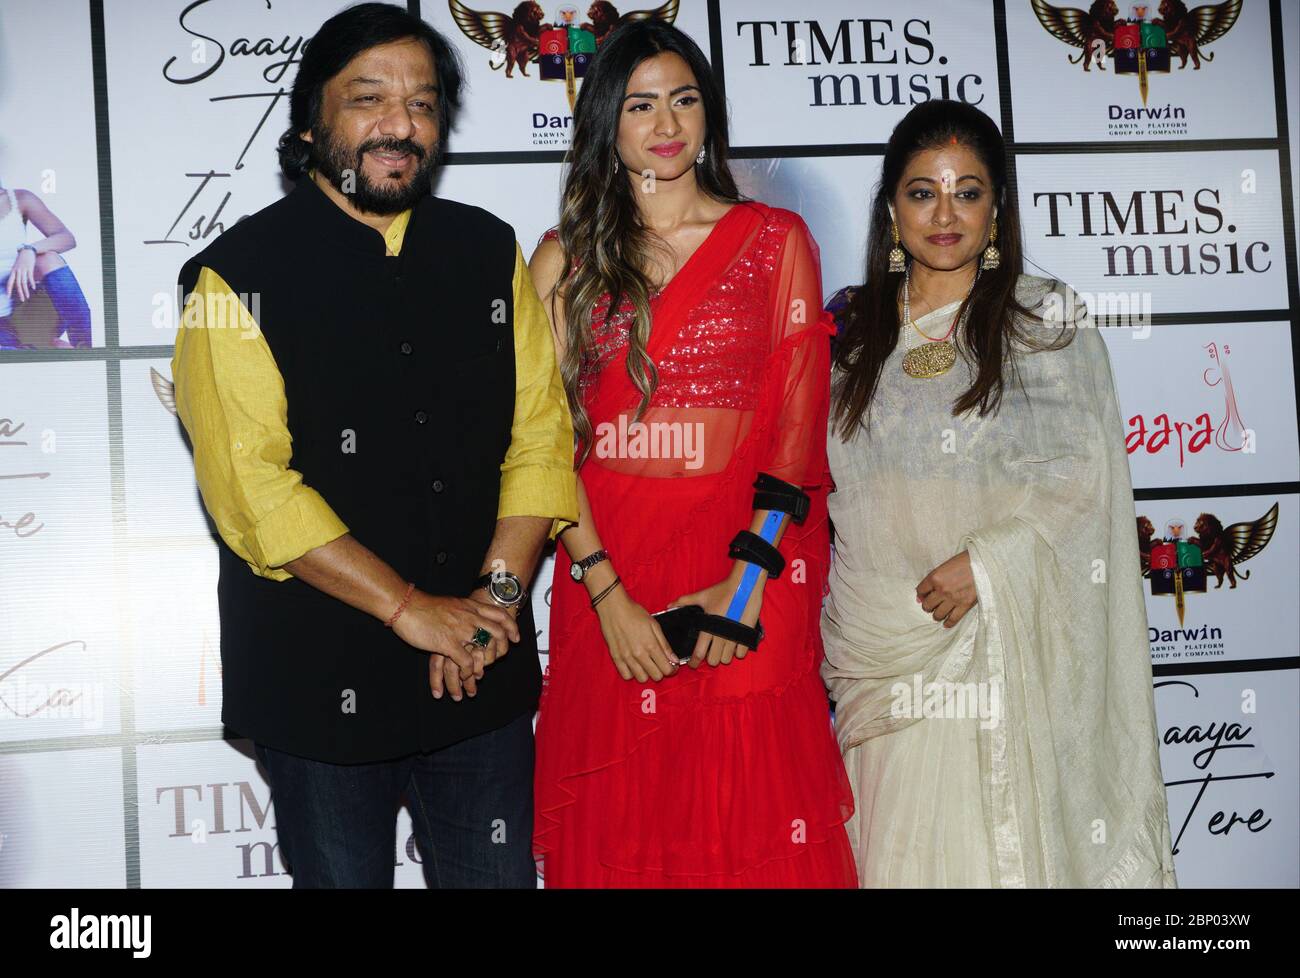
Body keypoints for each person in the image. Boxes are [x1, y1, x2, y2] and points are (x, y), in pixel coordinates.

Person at [170, 3, 577, 888]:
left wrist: (492, 603)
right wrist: (409, 609)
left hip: (483, 672)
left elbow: (541, 436)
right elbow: (253, 491)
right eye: (369, 98)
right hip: (322, 693)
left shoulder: (488, 250)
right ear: (315, 119)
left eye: (425, 104)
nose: (401, 125)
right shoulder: (231, 277)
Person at [529, 21, 855, 888]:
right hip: (609, 575)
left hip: (743, 575)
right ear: (607, 120)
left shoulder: (774, 240)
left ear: (709, 115)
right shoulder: (562, 262)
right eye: (640, 104)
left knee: (750, 826)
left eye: (684, 99)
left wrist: (745, 587)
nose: (666, 122)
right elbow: (542, 449)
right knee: (627, 831)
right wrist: (608, 598)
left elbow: (796, 438)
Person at [821, 99, 1177, 888]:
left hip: (993, 644)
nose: (944, 214)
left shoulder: (1044, 322)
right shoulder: (846, 333)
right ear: (890, 208)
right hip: (879, 652)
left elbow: (1081, 483)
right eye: (922, 192)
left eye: (968, 191)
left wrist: (986, 565)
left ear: (998, 208)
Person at [0, 181, 92, 349]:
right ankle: (40, 349)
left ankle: (83, 350)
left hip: (25, 314)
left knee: (48, 258)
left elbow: (66, 238)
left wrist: (30, 249)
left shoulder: (20, 199)